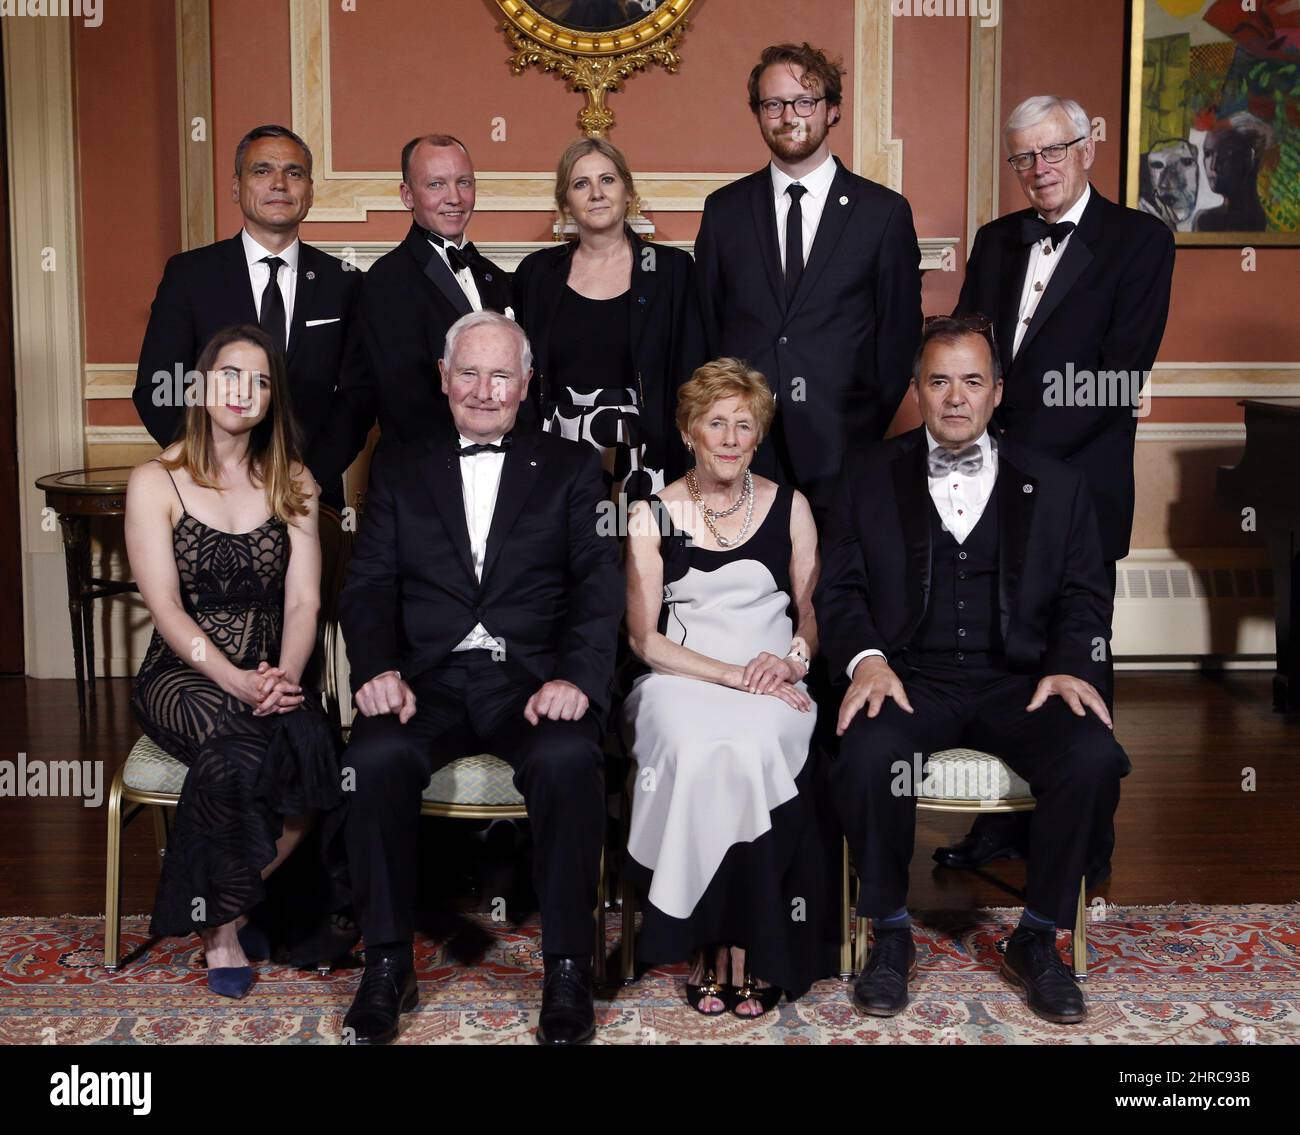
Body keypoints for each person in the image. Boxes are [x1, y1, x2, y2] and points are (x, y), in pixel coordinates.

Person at [816, 317, 1129, 1024]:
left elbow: (1086, 593)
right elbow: (840, 589)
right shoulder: (867, 474)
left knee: (1090, 755)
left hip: (1020, 681)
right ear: (917, 390)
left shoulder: (1057, 482)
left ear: (996, 394)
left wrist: (1073, 665)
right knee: (867, 753)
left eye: (972, 380)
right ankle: (890, 930)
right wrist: (866, 661)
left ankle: (1038, 936)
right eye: (939, 380)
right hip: (911, 675)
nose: (955, 397)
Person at [337, 311, 622, 1046]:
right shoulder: (399, 462)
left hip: (529, 678)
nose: (485, 389)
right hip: (424, 677)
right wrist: (373, 669)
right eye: (470, 371)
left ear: (527, 384)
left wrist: (575, 678)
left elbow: (598, 583)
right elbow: (367, 583)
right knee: (371, 759)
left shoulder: (570, 468)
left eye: (502, 374)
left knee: (566, 757)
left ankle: (566, 966)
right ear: (443, 377)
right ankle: (387, 963)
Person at [946, 94, 1174, 875]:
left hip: (1078, 487)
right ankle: (995, 824)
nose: (1037, 169)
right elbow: (967, 351)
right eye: (1023, 158)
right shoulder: (995, 239)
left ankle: (1081, 847)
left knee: (1078, 655)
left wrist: (1016, 454)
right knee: (993, 655)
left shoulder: (1140, 240)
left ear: (1087, 147)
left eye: (1052, 151)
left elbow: (1119, 376)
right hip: (983, 485)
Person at [125, 324, 346, 999]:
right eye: (229, 374)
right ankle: (221, 931)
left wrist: (280, 676)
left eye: (259, 380)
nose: (241, 391)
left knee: (315, 752)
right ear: (200, 383)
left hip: (271, 669)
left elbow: (305, 601)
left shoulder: (295, 481)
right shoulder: (154, 481)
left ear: (272, 398)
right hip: (182, 673)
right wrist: (236, 680)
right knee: (233, 745)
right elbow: (166, 608)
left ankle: (226, 903)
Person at [622, 359, 824, 1018]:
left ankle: (748, 945)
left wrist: (792, 661)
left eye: (745, 424)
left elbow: (812, 613)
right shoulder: (652, 514)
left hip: (772, 680)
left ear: (759, 433)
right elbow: (643, 640)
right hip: (680, 677)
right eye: (717, 423)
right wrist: (731, 674)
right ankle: (707, 943)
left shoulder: (792, 507)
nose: (731, 437)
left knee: (755, 747)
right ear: (689, 431)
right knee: (693, 747)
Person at [694, 41, 922, 518]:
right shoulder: (724, 211)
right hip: (743, 445)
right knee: (751, 586)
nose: (789, 116)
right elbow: (709, 326)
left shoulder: (882, 214)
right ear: (758, 113)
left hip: (843, 446)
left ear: (832, 110)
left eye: (805, 101)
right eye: (773, 104)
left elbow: (898, 337)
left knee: (833, 587)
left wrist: (859, 426)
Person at [134, 125, 365, 509]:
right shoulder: (190, 275)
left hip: (310, 491)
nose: (279, 183)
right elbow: (159, 386)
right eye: (262, 171)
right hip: (209, 491)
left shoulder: (345, 283)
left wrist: (309, 473)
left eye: (294, 173)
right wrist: (211, 467)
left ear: (309, 191)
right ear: (236, 188)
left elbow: (359, 396)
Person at [513, 137, 707, 504]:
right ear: (565, 202)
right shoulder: (537, 274)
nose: (596, 193)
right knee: (563, 555)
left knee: (638, 555)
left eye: (607, 180)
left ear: (628, 191)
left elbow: (691, 371)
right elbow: (521, 372)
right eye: (581, 184)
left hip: (647, 448)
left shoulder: (671, 271)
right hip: (556, 447)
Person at [311, 134, 514, 472]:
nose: (454, 197)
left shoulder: (494, 277)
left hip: (501, 466)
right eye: (436, 184)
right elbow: (403, 397)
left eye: (463, 182)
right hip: (423, 474)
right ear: (407, 195)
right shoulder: (387, 280)